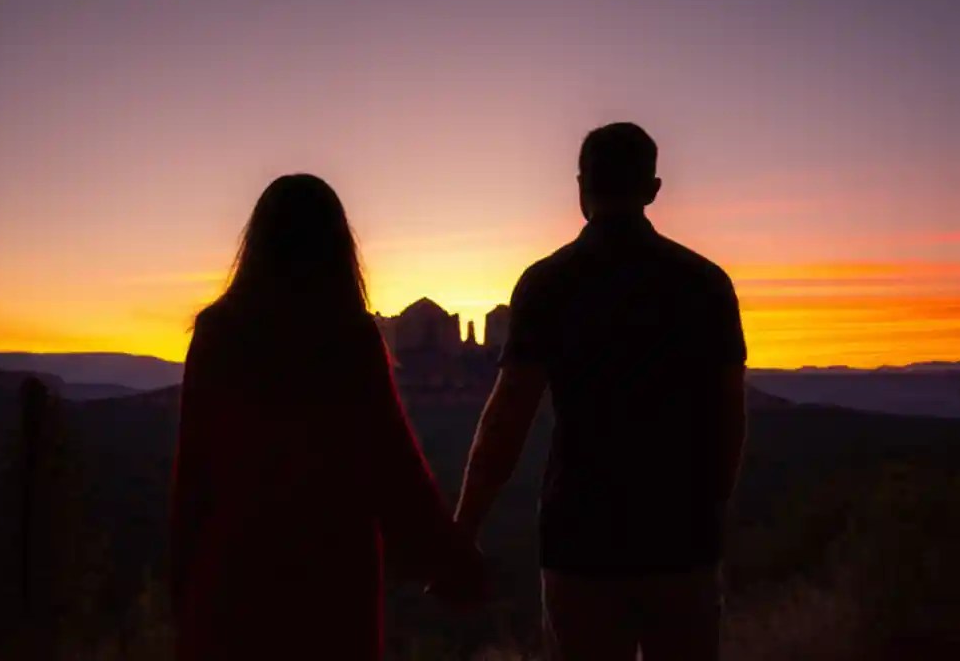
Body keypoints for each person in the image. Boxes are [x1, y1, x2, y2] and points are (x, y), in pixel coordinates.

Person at [453, 123, 748, 661]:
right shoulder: (705, 283)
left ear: (581, 186)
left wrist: (465, 527)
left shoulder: (548, 283)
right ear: (653, 189)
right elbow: (730, 415)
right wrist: (712, 508)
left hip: (580, 540)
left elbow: (506, 419)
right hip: (682, 538)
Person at [170, 174, 484, 660]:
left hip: (234, 579)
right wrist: (449, 562)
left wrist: (181, 591)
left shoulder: (217, 333)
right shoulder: (350, 338)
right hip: (332, 585)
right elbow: (394, 469)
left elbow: (192, 476)